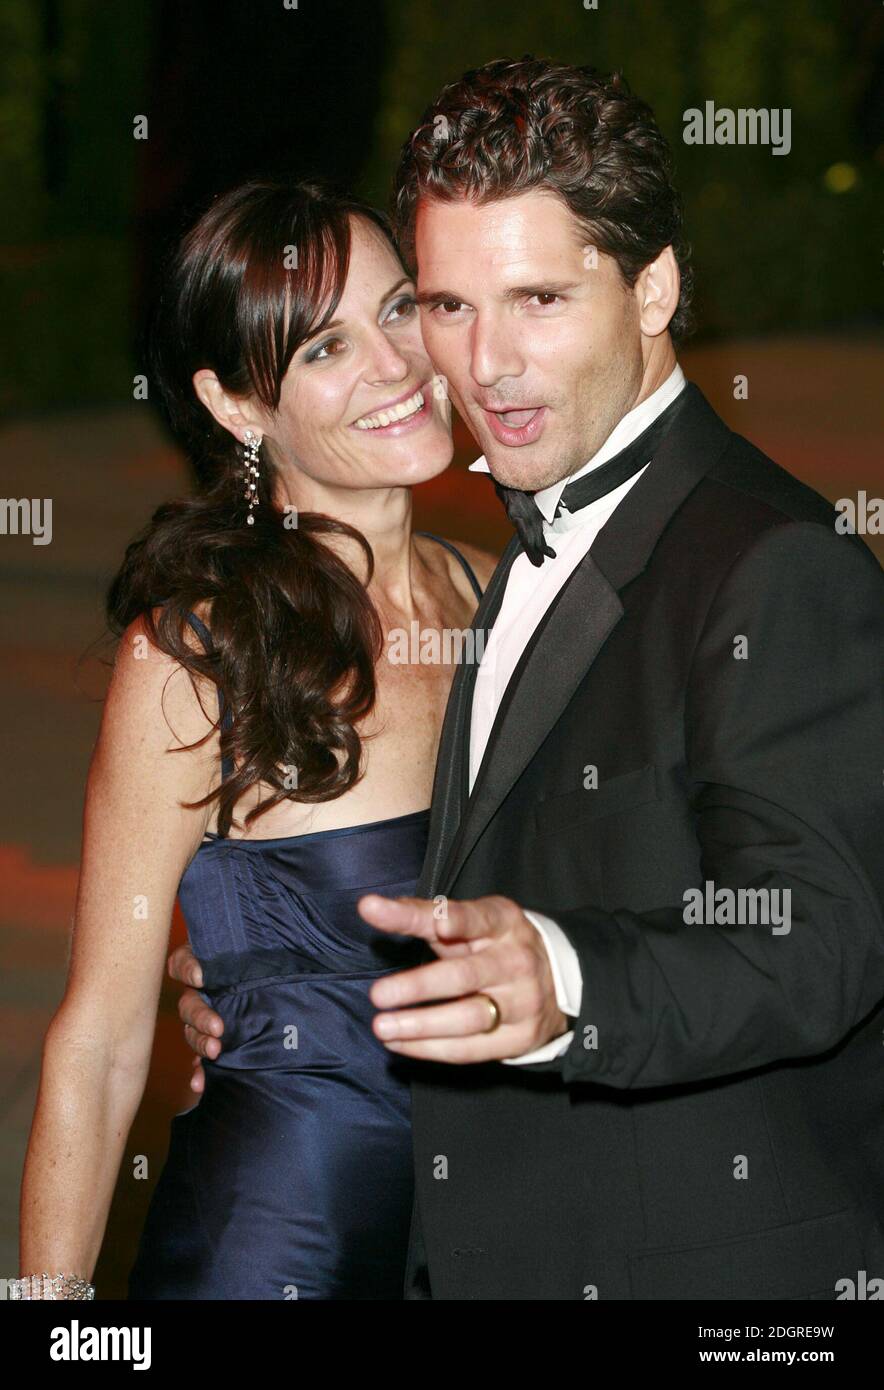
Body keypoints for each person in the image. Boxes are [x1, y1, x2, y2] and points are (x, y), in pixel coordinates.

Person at [180, 58, 884, 1302]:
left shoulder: (774, 567)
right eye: (446, 306)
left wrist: (561, 976)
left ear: (653, 286)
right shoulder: (507, 549)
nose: (486, 363)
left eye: (538, 300)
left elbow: (815, 936)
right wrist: (267, 984)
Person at [16, 176, 500, 1302]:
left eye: (397, 310)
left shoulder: (497, 599)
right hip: (281, 1241)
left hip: (485, 1235)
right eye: (324, 349)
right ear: (240, 407)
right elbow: (98, 1040)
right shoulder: (197, 660)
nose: (395, 367)